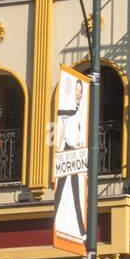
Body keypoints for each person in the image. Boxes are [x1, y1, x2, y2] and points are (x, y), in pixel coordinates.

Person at [53, 76, 87, 244]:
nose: (79, 93)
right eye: (77, 90)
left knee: (76, 192)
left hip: (75, 156)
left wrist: (84, 166)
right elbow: (60, 129)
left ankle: (82, 230)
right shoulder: (68, 110)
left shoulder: (79, 112)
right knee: (60, 191)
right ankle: (58, 222)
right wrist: (55, 151)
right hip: (66, 153)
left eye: (81, 91)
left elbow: (80, 139)